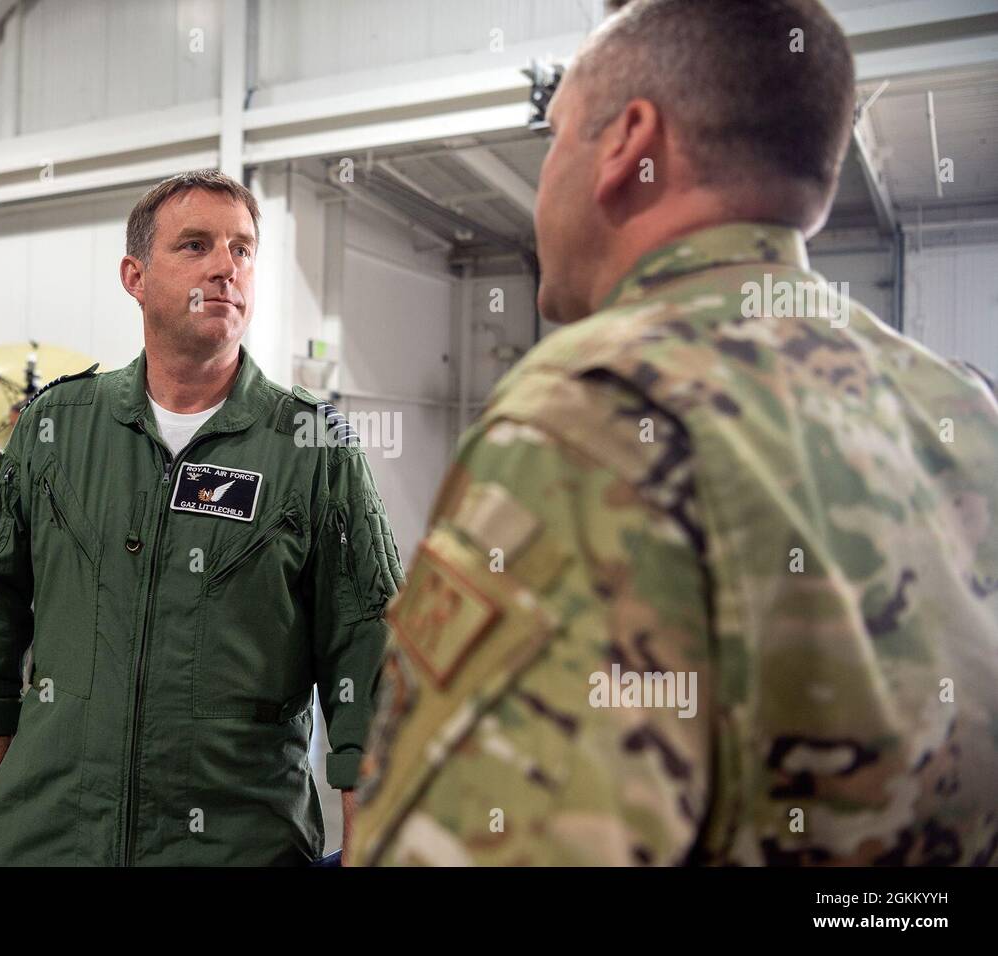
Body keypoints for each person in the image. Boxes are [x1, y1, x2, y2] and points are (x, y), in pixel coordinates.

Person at [350, 0, 998, 866]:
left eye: (555, 138)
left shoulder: (593, 413)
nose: (545, 179)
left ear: (627, 145)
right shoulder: (960, 411)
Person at [0, 169, 403, 865]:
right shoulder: (56, 428)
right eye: (195, 245)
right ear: (135, 275)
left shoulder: (313, 450)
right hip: (50, 843)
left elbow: (370, 670)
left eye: (242, 250)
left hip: (238, 846)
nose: (225, 266)